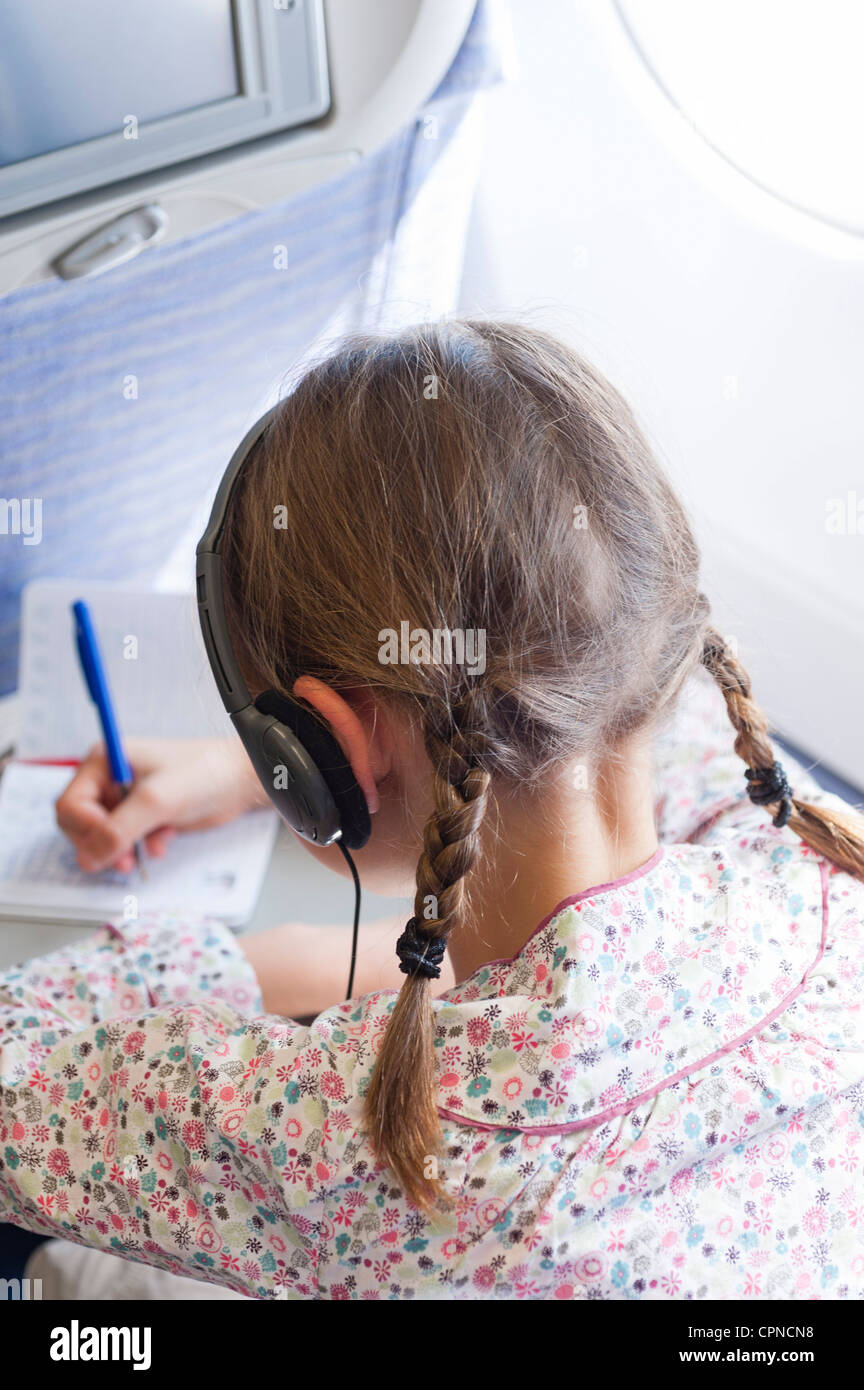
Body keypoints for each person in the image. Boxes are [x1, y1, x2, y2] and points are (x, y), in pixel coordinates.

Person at [2, 319, 863, 1300]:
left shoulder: (346, 1140)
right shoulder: (825, 866)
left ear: (319, 755)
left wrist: (249, 960)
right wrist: (239, 773)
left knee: (93, 1281)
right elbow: (573, 666)